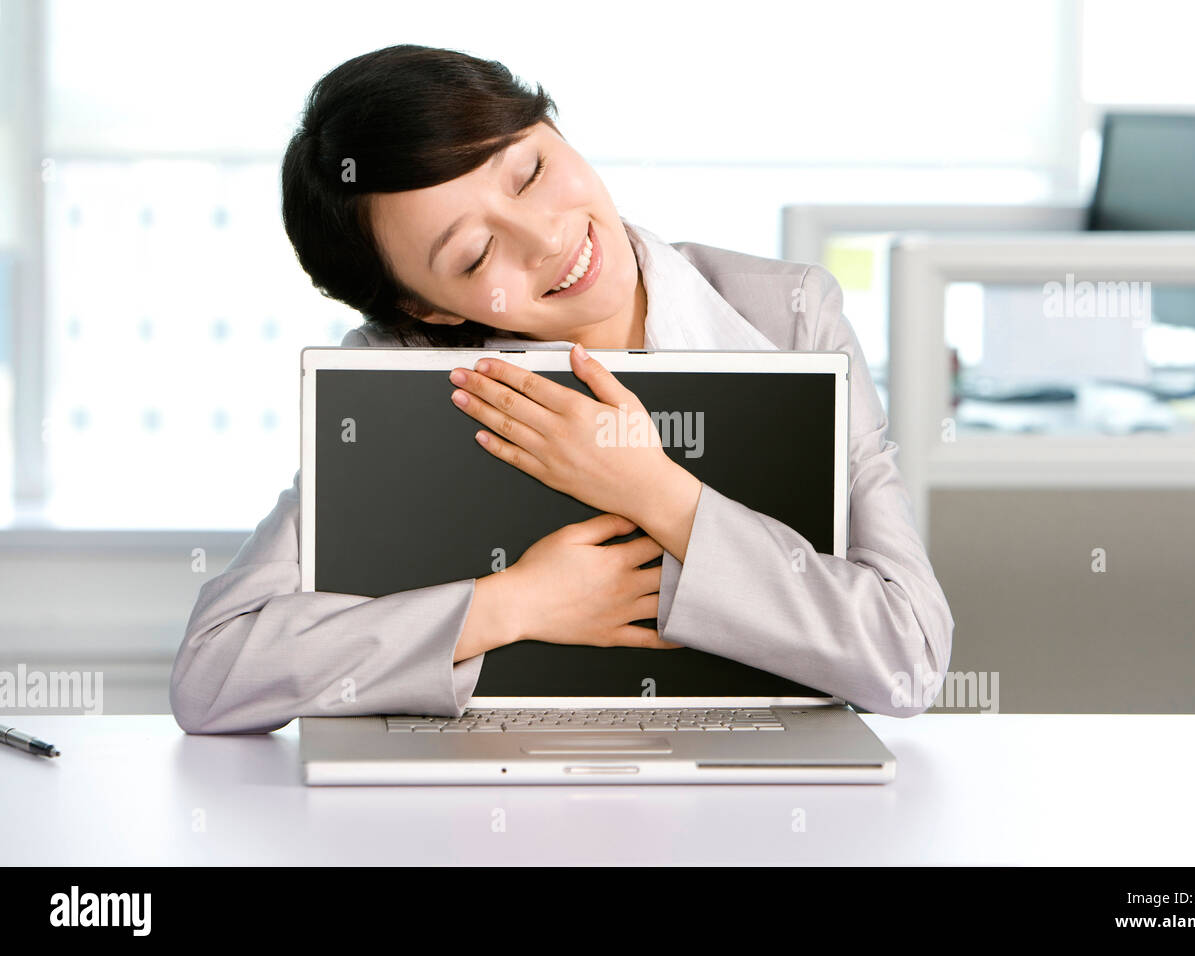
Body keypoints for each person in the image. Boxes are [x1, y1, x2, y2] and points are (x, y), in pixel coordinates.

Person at [169, 44, 954, 734]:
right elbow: (214, 673)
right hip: (477, 799)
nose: (549, 239)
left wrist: (662, 497)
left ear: (554, 126)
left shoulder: (790, 318)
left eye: (531, 171)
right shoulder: (394, 375)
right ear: (429, 308)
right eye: (476, 256)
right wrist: (509, 605)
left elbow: (908, 657)